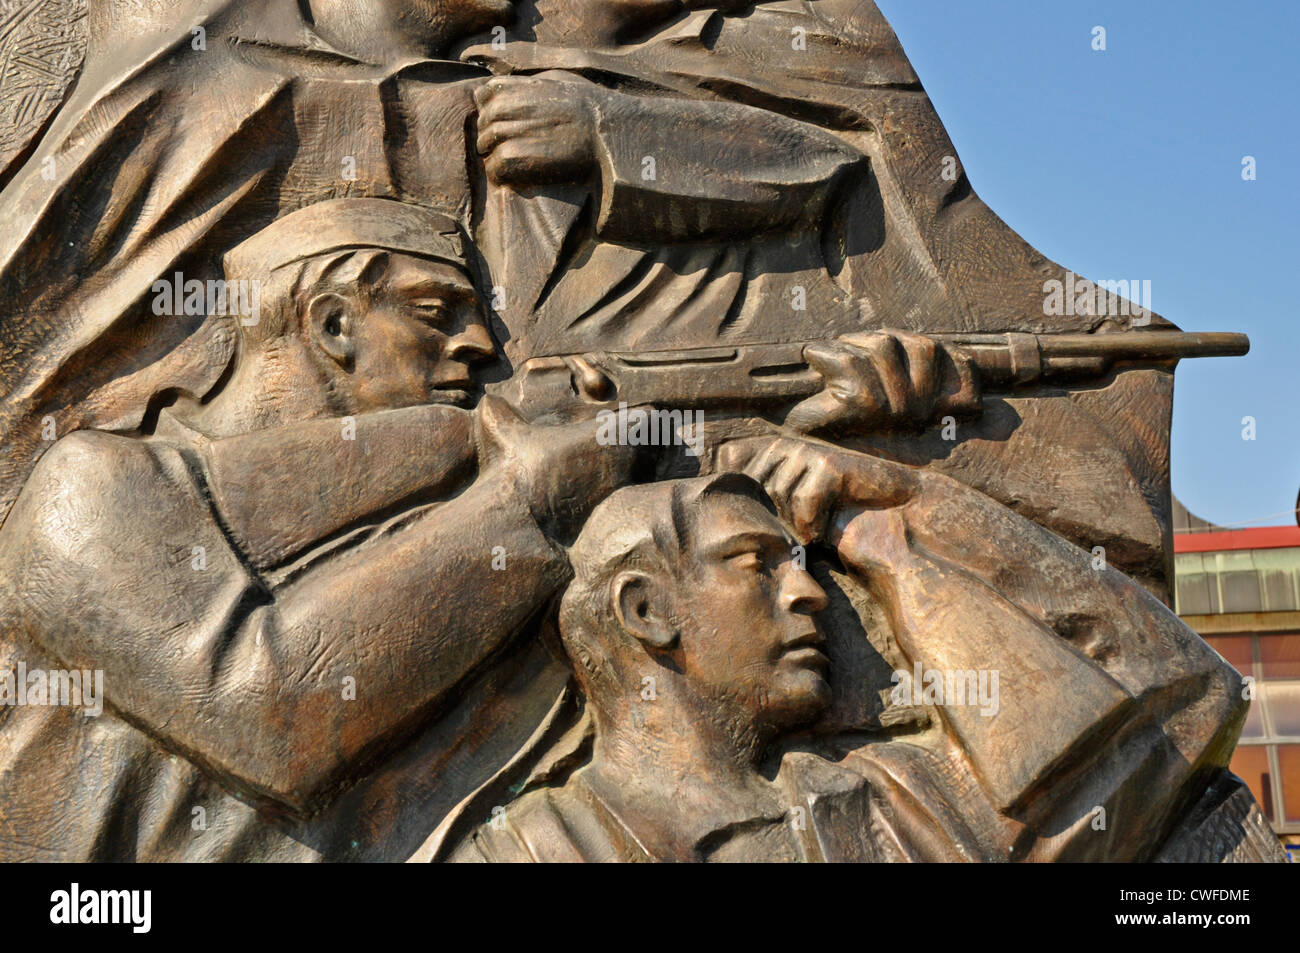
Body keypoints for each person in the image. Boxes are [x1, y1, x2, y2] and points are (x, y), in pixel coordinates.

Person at [0, 198, 639, 861]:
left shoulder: (433, 493)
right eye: (434, 311)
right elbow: (268, 716)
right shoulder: (92, 484)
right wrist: (527, 503)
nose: (481, 344)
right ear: (333, 326)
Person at [449, 444, 1247, 861]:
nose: (811, 593)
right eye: (756, 563)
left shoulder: (887, 812)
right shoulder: (528, 852)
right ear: (647, 610)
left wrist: (904, 518)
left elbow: (1183, 695)